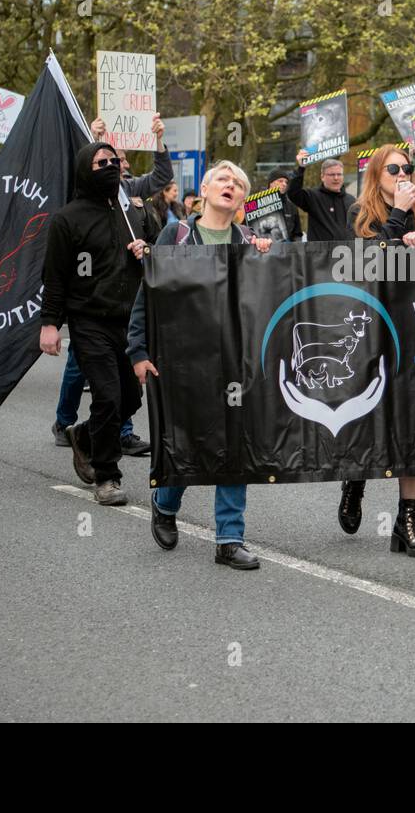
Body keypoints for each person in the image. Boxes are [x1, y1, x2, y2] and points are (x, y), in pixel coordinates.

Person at [128, 160, 273, 570]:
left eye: (238, 183)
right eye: (223, 179)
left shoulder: (249, 240)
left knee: (235, 446)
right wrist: (138, 351)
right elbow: (149, 295)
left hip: (236, 362)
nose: (231, 185)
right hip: (184, 359)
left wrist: (268, 260)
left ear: (243, 199)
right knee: (188, 441)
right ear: (204, 191)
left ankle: (229, 538)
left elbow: (266, 299)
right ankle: (165, 502)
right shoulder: (176, 235)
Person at [337, 147, 415, 556]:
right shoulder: (358, 215)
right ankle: (355, 481)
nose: (402, 174)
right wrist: (397, 217)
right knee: (366, 419)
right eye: (392, 168)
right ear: (376, 175)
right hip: (370, 334)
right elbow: (366, 267)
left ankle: (407, 520)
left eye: (406, 169)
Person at [40, 141, 156, 507]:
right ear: (84, 170)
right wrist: (50, 323)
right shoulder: (67, 219)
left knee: (130, 398)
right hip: (89, 321)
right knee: (107, 396)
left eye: (113, 161)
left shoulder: (132, 213)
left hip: (130, 322)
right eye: (100, 162)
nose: (110, 167)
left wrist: (146, 250)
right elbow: (54, 276)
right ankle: (107, 476)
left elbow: (159, 252)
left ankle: (85, 436)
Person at [285, 156, 353, 241]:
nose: (336, 178)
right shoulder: (312, 197)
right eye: (332, 175)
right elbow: (293, 193)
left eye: (339, 174)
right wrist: (301, 168)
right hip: (319, 249)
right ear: (322, 177)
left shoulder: (351, 200)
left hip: (347, 249)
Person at [267, 170, 302, 241]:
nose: (284, 184)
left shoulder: (292, 207)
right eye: (280, 181)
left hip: (286, 246)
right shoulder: (256, 204)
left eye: (286, 182)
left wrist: (296, 246)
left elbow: (297, 234)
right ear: (271, 183)